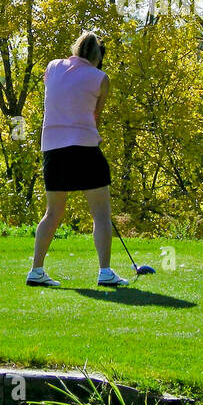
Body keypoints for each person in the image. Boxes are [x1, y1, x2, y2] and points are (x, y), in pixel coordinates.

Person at [27, 30, 128, 287]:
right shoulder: (101, 78)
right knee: (101, 214)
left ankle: (36, 270)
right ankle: (105, 272)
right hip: (84, 147)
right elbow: (96, 116)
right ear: (98, 56)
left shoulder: (52, 66)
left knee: (53, 213)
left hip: (52, 147)